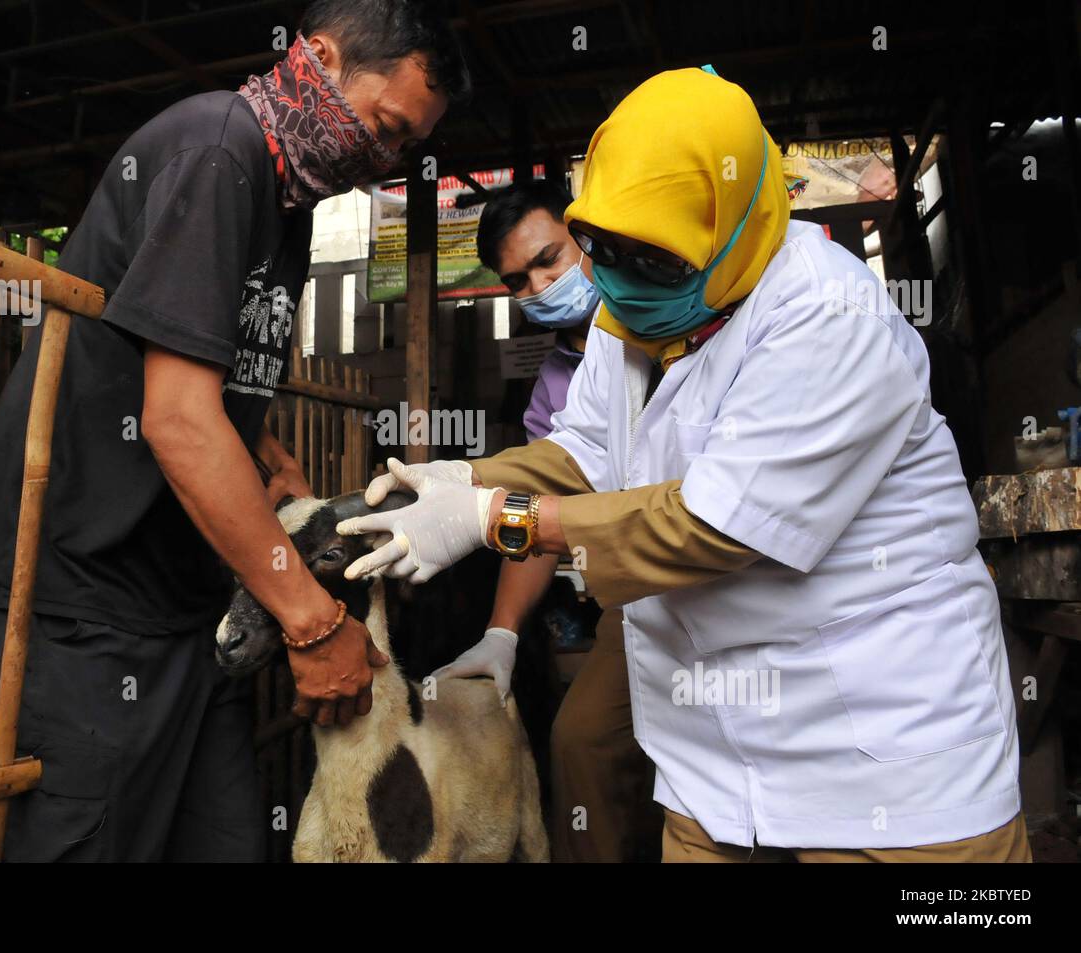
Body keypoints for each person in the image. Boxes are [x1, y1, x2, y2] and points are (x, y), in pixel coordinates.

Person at [340, 66, 1029, 862]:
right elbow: (590, 450)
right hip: (712, 755)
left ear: (737, 225)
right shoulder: (629, 310)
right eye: (603, 247)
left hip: (877, 743)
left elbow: (713, 526)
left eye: (654, 259)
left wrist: (499, 520)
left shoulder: (825, 314)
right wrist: (470, 477)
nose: (620, 278)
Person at [0, 0, 469, 862]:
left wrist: (283, 484)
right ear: (318, 58)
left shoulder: (291, 202)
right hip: (81, 608)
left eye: (405, 150)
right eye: (383, 130)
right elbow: (179, 420)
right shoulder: (217, 150)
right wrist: (310, 621)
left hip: (185, 606)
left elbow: (211, 386)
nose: (384, 162)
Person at [435, 179, 655, 862]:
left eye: (550, 258)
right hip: (639, 600)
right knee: (582, 741)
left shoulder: (666, 322)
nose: (539, 285)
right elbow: (533, 513)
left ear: (585, 235)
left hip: (720, 570)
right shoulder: (555, 387)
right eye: (518, 280)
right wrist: (501, 633)